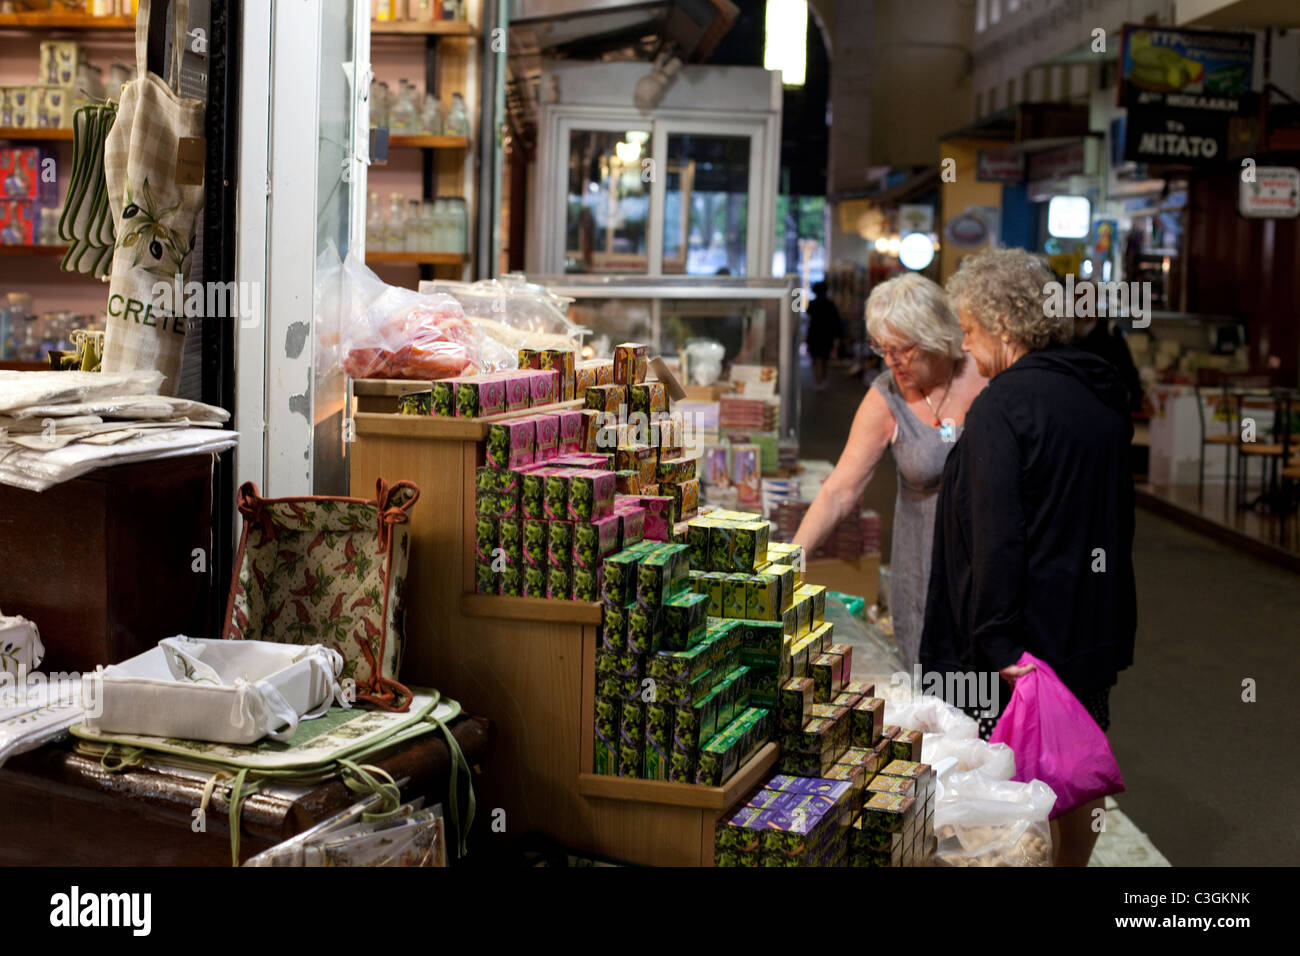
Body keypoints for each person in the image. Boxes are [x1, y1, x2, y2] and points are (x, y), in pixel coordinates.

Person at [921, 247, 1137, 867]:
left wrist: (995, 641)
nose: (964, 345)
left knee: (1009, 788)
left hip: (1022, 643)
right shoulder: (1099, 395)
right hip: (1090, 625)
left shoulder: (1002, 408)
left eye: (968, 329)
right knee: (1080, 767)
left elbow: (997, 536)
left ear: (1004, 326)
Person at [792, 273, 986, 668]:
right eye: (883, 348)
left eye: (903, 349)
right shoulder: (887, 395)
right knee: (938, 697)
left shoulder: (984, 375)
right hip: (926, 574)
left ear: (937, 337)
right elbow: (839, 491)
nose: (891, 360)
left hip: (988, 572)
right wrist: (791, 559)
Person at [805, 281, 842, 391]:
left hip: (814, 334)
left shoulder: (812, 304)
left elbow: (808, 316)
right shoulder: (830, 304)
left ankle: (817, 380)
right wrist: (837, 337)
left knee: (815, 358)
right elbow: (836, 322)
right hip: (827, 335)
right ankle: (823, 380)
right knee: (824, 358)